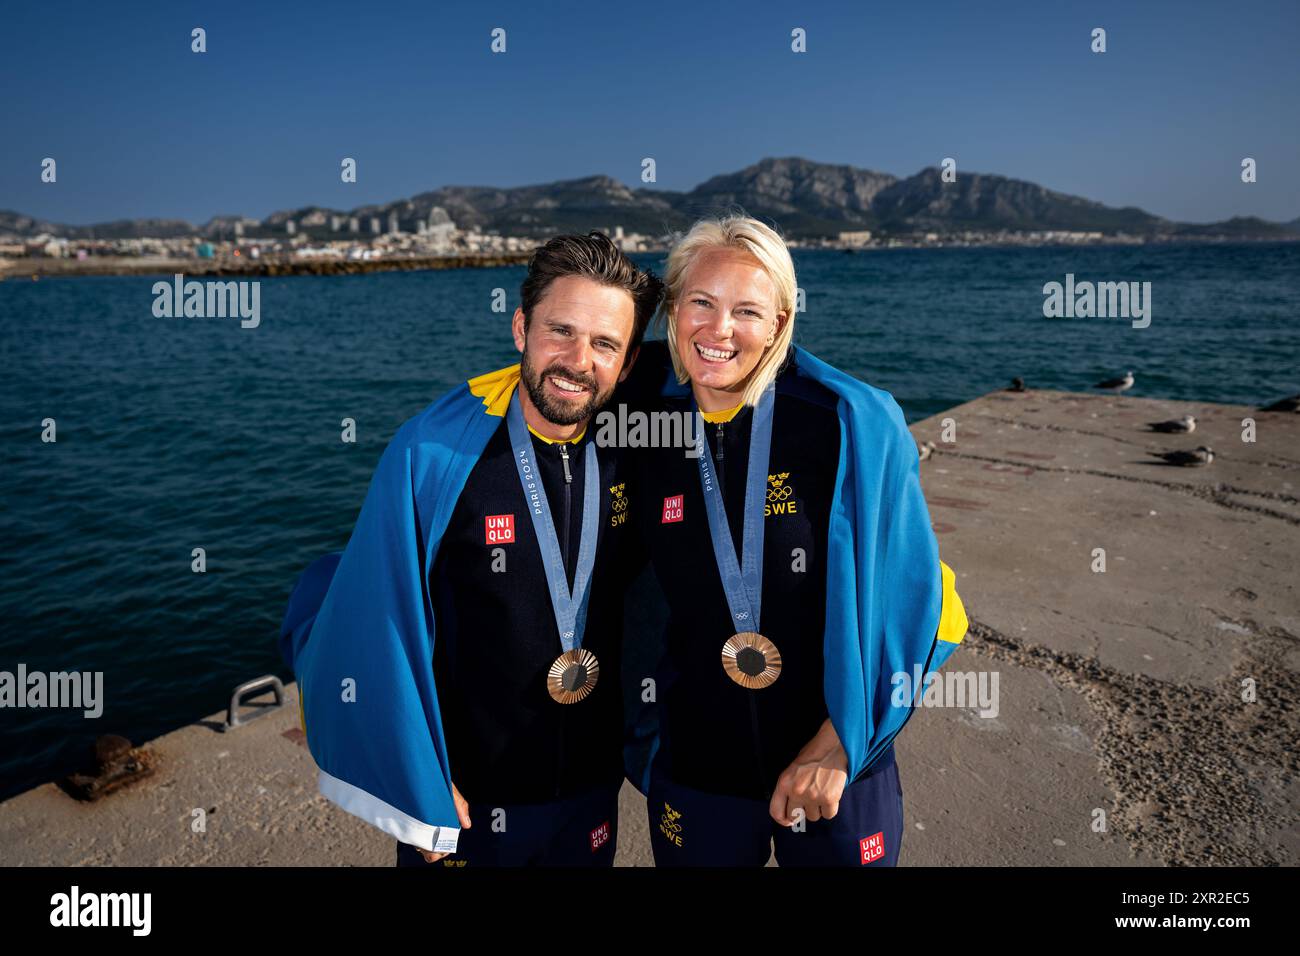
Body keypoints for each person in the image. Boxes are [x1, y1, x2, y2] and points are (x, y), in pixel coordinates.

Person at [279, 233, 662, 866]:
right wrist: (414, 777)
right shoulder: (434, 455)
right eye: (559, 331)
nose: (576, 360)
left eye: (604, 344)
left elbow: (731, 357)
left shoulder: (640, 449)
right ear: (520, 328)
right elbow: (375, 616)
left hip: (593, 792)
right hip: (466, 804)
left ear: (627, 363)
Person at [625, 215, 968, 866]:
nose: (718, 330)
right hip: (698, 765)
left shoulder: (846, 424)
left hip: (837, 767)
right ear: (672, 309)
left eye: (747, 310)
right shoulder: (640, 424)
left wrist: (841, 742)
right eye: (700, 302)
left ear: (782, 323)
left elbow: (932, 605)